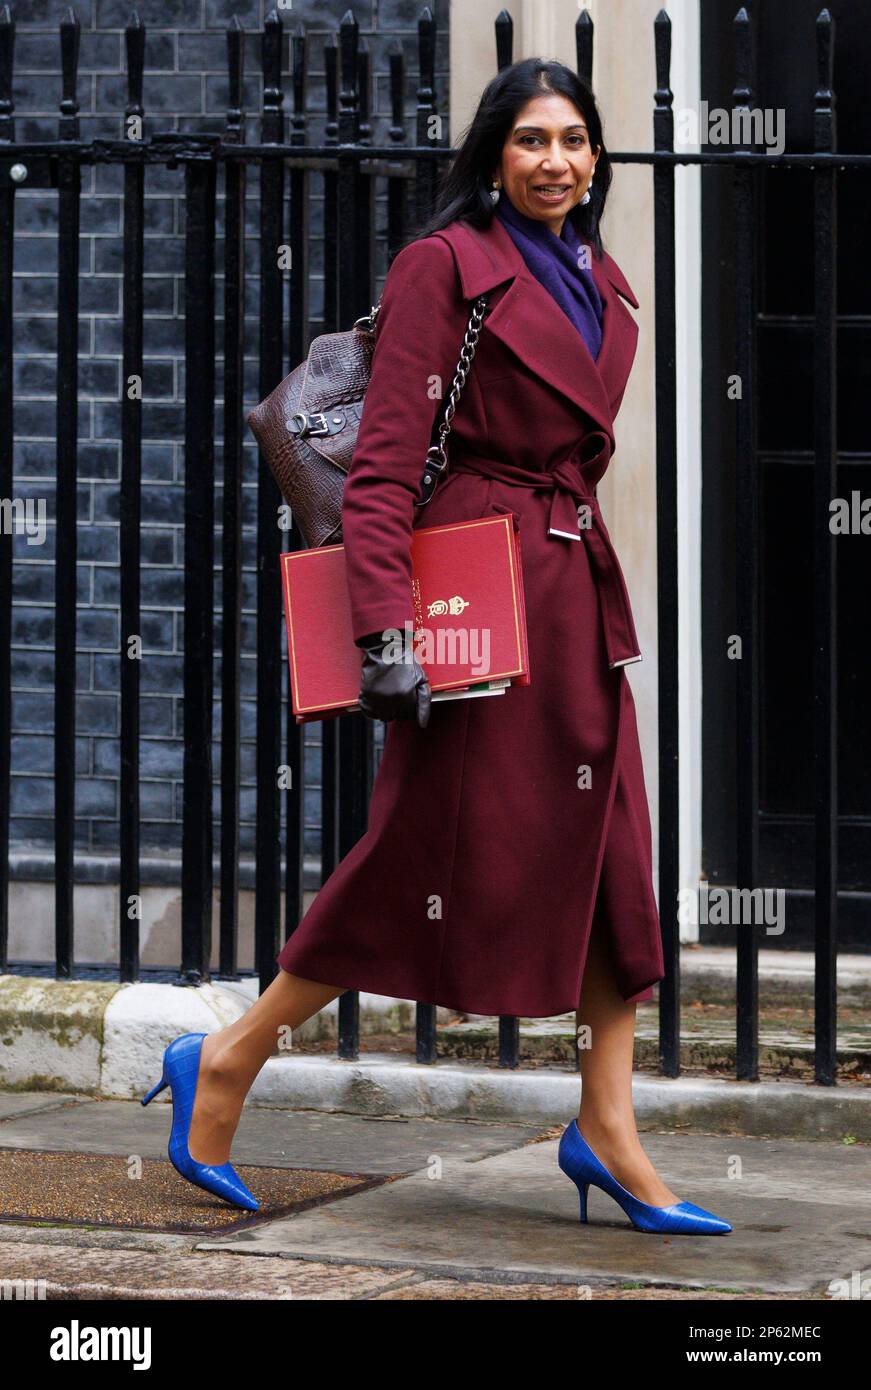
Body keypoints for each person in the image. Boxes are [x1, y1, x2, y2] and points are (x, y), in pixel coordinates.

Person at [142, 58, 730, 1236]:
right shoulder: (447, 266)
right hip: (479, 603)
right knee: (417, 850)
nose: (555, 161)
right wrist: (383, 625)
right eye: (530, 141)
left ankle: (604, 1122)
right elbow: (384, 462)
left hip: (573, 592)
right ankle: (226, 1055)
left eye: (573, 140)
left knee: (616, 850)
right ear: (492, 155)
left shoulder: (605, 283)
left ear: (596, 155)